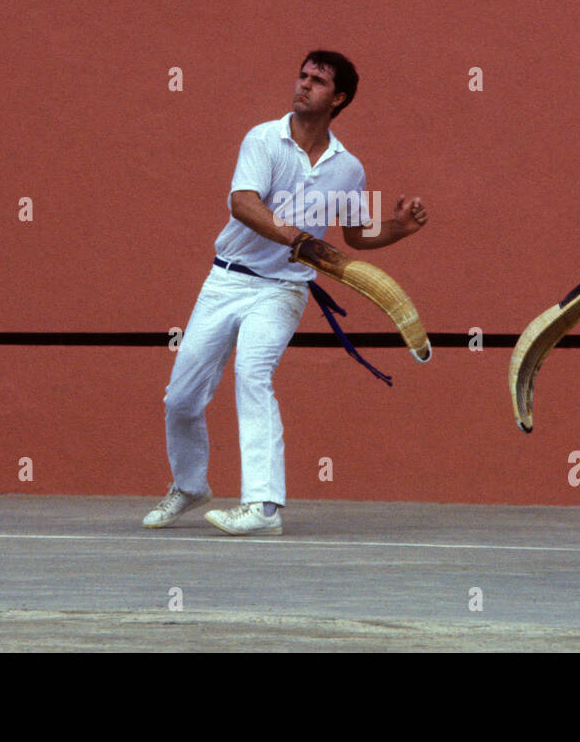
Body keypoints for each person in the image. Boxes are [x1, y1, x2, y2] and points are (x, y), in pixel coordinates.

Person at [143, 51, 428, 536]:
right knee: (180, 400)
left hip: (282, 289)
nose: (304, 85)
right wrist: (296, 238)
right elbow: (242, 204)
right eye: (302, 75)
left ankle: (263, 507)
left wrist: (397, 229)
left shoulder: (349, 169)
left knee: (252, 376)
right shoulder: (263, 138)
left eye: (317, 81)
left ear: (338, 99)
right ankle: (190, 486)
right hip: (226, 280)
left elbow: (357, 236)